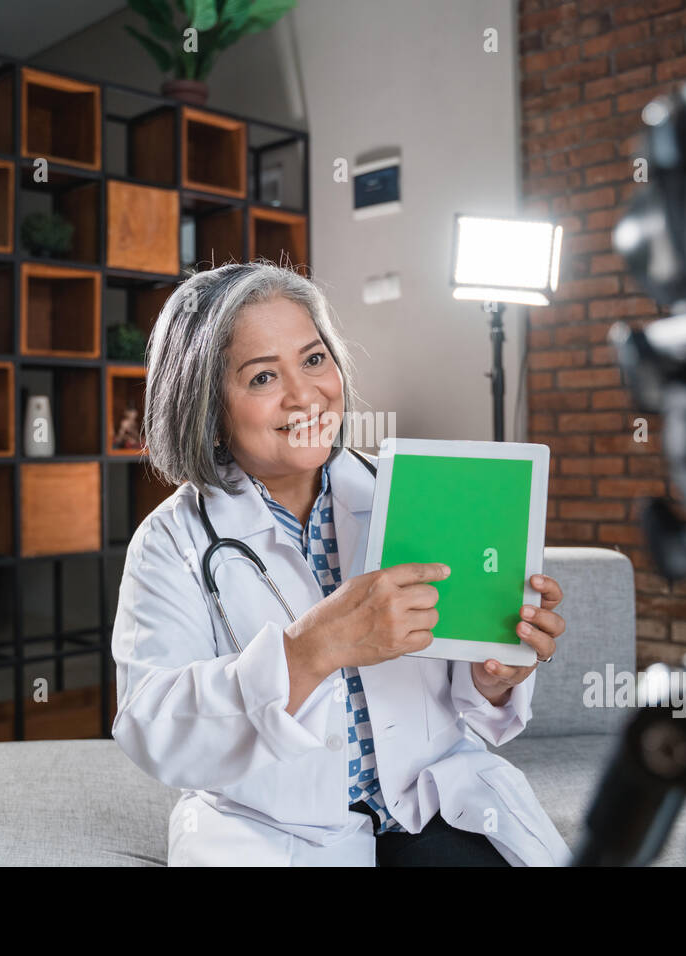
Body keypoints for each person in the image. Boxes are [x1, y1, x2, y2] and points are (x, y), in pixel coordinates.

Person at [110, 260, 571, 866]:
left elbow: (464, 701)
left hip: (426, 804)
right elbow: (151, 726)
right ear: (206, 408)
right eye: (261, 377)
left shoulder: (408, 494)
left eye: (313, 359)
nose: (305, 395)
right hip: (271, 828)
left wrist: (492, 676)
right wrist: (309, 650)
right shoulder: (171, 540)